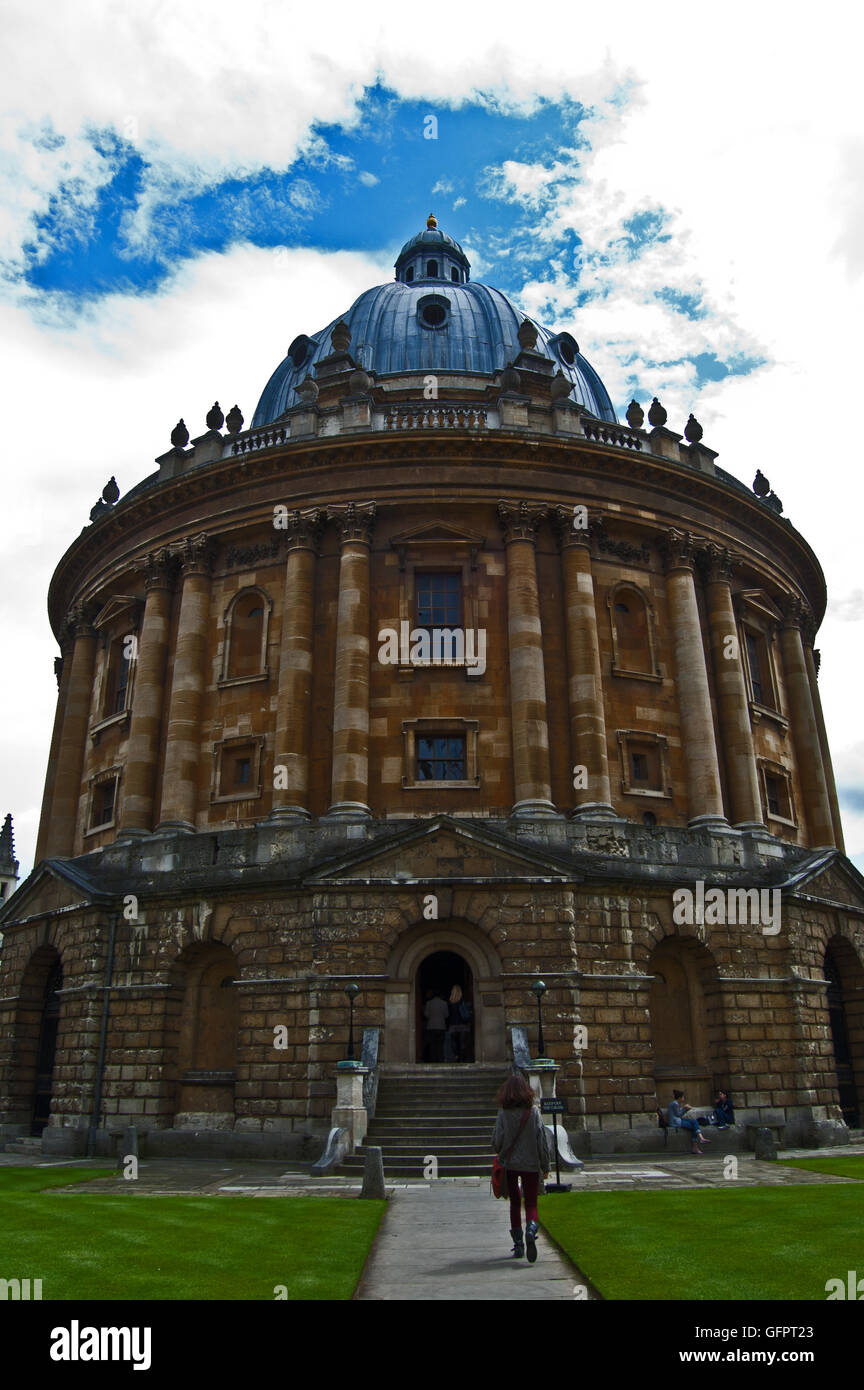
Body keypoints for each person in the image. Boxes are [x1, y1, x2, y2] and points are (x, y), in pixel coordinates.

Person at [492, 1073, 551, 1262]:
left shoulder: (503, 1112)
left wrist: (501, 1148)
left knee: (515, 1203)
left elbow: (497, 1141)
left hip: (510, 1164)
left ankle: (518, 1245)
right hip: (531, 1163)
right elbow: (542, 1140)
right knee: (531, 1203)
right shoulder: (533, 1112)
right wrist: (545, 1164)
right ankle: (531, 1229)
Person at [668, 1089, 710, 1155]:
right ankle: (697, 1145)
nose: (683, 1099)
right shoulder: (675, 1104)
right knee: (694, 1127)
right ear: (679, 1098)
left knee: (694, 1121)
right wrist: (685, 1109)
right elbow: (678, 1115)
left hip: (678, 1120)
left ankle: (701, 1138)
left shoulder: (674, 1103)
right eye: (683, 1097)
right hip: (676, 1122)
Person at [445, 983, 470, 1062]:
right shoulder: (463, 1001)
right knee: (462, 1043)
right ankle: (462, 1059)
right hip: (463, 1025)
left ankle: (457, 1056)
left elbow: (448, 1015)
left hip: (453, 1025)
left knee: (454, 1044)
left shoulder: (450, 1003)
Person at [423, 991, 448, 1063]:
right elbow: (446, 1015)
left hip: (431, 1026)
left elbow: (426, 1015)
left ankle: (433, 1060)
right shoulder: (444, 1003)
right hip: (441, 1026)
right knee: (440, 1045)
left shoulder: (429, 1003)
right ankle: (440, 1060)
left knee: (432, 1045)